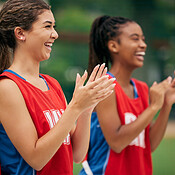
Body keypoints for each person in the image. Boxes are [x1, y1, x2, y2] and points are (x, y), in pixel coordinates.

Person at [0, 1, 116, 174]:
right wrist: (75, 106)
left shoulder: (52, 84)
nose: (55, 34)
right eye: (47, 26)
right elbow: (36, 159)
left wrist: (86, 108)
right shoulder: (8, 87)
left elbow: (77, 154)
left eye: (54, 27)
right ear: (20, 33)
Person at [79, 15, 175, 175]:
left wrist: (165, 104)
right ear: (114, 46)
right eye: (135, 39)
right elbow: (117, 142)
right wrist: (153, 107)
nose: (143, 45)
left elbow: (148, 144)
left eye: (143, 39)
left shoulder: (142, 88)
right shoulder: (105, 85)